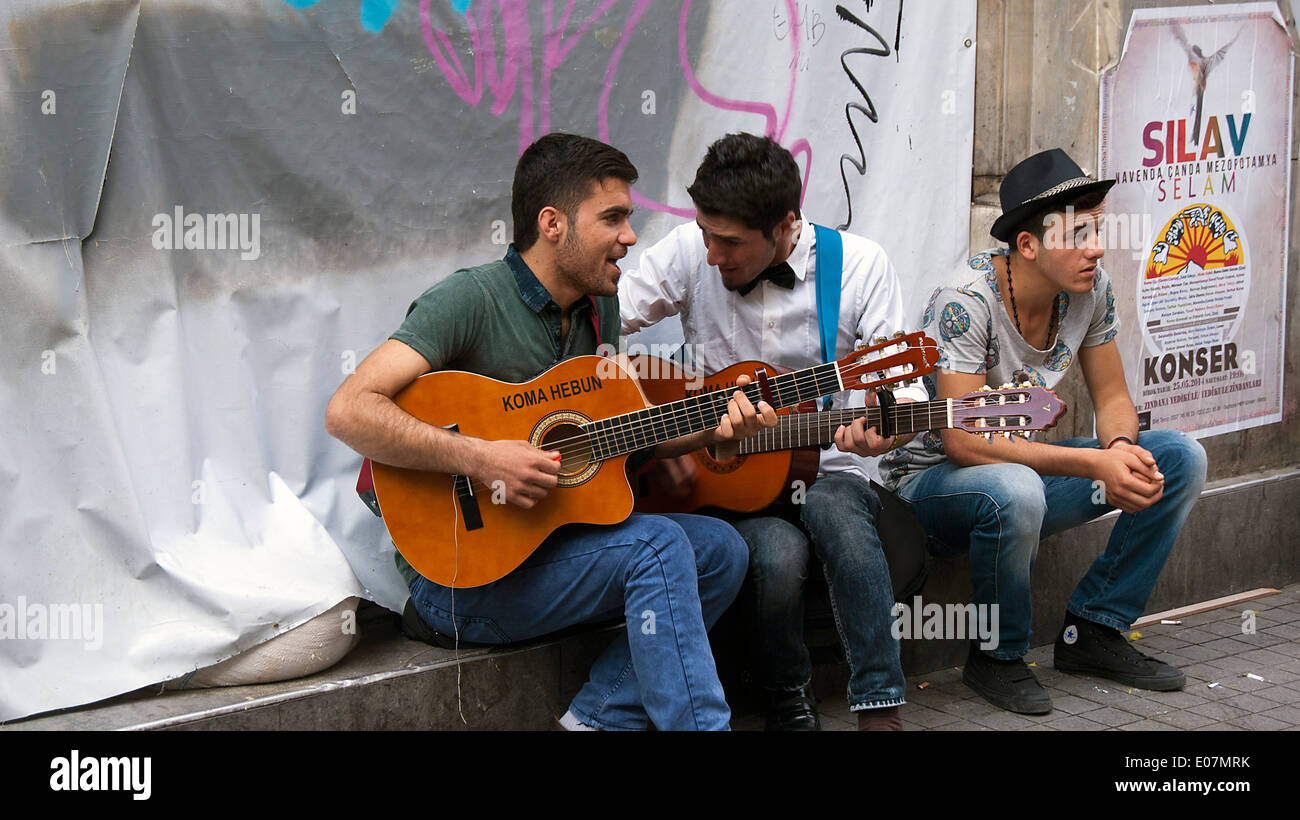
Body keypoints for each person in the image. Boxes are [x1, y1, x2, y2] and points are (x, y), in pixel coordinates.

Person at [324, 132, 777, 730]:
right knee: (658, 548)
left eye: (629, 218)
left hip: (550, 553)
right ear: (552, 223)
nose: (631, 236)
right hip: (460, 580)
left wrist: (711, 431)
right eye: (612, 217)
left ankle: (594, 720)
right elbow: (349, 410)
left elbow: (615, 436)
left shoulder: (600, 309)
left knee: (721, 551)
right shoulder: (468, 300)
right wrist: (481, 458)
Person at [879, 148, 1208, 714]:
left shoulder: (1091, 288)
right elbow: (961, 441)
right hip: (932, 490)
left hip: (1020, 476)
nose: (1097, 247)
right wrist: (1091, 464)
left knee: (1179, 457)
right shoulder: (967, 300)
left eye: (1098, 229)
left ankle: (1095, 630)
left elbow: (1112, 397)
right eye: (1079, 233)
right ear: (1027, 245)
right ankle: (998, 656)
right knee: (1017, 487)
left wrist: (1122, 450)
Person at [619, 133, 925, 731]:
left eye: (729, 243)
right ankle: (788, 697)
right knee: (778, 558)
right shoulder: (691, 248)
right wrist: (662, 434)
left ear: (786, 225)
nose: (710, 255)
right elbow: (601, 318)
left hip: (824, 467)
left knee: (841, 517)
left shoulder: (860, 266)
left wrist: (885, 432)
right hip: (727, 479)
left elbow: (905, 394)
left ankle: (880, 707)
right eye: (706, 235)